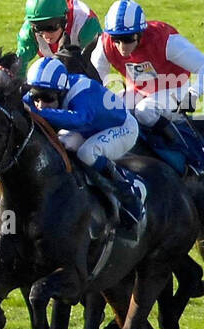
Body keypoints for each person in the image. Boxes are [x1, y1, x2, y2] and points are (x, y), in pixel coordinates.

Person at [91, 0, 204, 179]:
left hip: (176, 88)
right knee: (113, 107)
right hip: (139, 90)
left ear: (140, 33)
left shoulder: (166, 41)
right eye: (117, 40)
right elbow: (95, 78)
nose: (122, 47)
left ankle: (198, 157)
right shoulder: (105, 44)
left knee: (146, 111)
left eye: (128, 39)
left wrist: (193, 95)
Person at [24, 57, 145, 225]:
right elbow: (22, 104)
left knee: (87, 153)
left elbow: (80, 119)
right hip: (89, 128)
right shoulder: (49, 86)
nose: (41, 104)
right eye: (36, 97)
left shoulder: (82, 90)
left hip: (122, 128)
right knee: (60, 144)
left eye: (47, 98)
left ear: (61, 92)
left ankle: (127, 189)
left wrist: (36, 113)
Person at [15, 0, 102, 70]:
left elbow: (97, 69)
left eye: (50, 27)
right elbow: (19, 67)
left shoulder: (86, 25)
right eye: (39, 27)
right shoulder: (28, 32)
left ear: (64, 19)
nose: (45, 35)